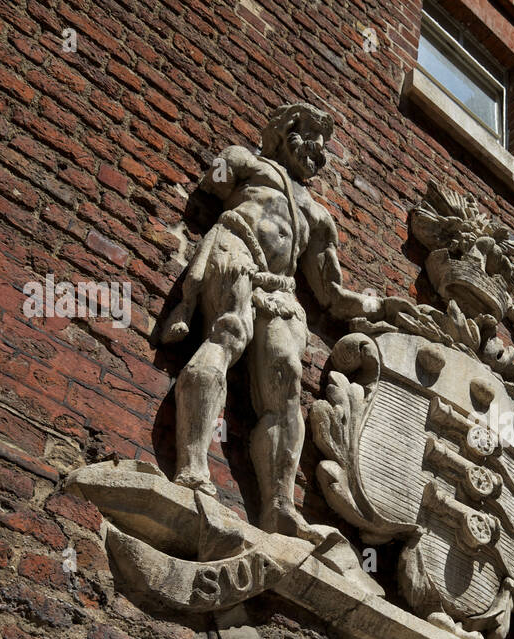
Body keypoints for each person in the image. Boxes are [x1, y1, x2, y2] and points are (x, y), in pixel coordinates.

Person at [162, 103, 421, 537]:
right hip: (238, 249)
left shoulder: (317, 216)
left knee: (288, 379)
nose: (317, 155)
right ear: (284, 132)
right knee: (229, 334)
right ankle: (191, 468)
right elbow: (216, 181)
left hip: (280, 289)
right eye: (309, 141)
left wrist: (380, 307)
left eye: (323, 150)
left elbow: (332, 295)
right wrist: (233, 166)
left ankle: (278, 506)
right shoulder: (251, 163)